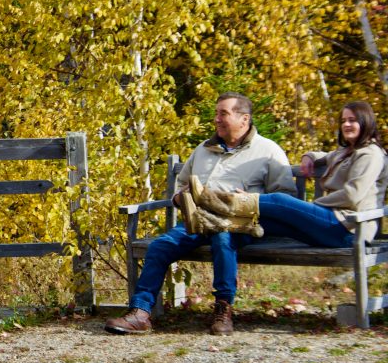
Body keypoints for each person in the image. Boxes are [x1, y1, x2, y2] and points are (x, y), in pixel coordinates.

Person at [106, 92, 296, 337]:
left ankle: (223, 309)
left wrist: (248, 200)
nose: (216, 119)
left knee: (223, 239)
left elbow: (285, 197)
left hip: (239, 223)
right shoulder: (204, 149)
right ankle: (141, 313)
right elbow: (181, 186)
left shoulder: (268, 151)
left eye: (223, 113)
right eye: (216, 113)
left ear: (244, 119)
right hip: (198, 221)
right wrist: (181, 198)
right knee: (160, 246)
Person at [192, 100, 387, 251]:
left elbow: (353, 195)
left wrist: (312, 207)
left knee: (279, 200)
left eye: (352, 120)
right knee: (264, 222)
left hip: (350, 228)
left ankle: (221, 200)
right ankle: (212, 220)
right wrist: (308, 157)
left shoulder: (371, 154)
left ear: (365, 121)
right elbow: (325, 157)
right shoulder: (346, 151)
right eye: (343, 120)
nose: (346, 125)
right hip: (332, 225)